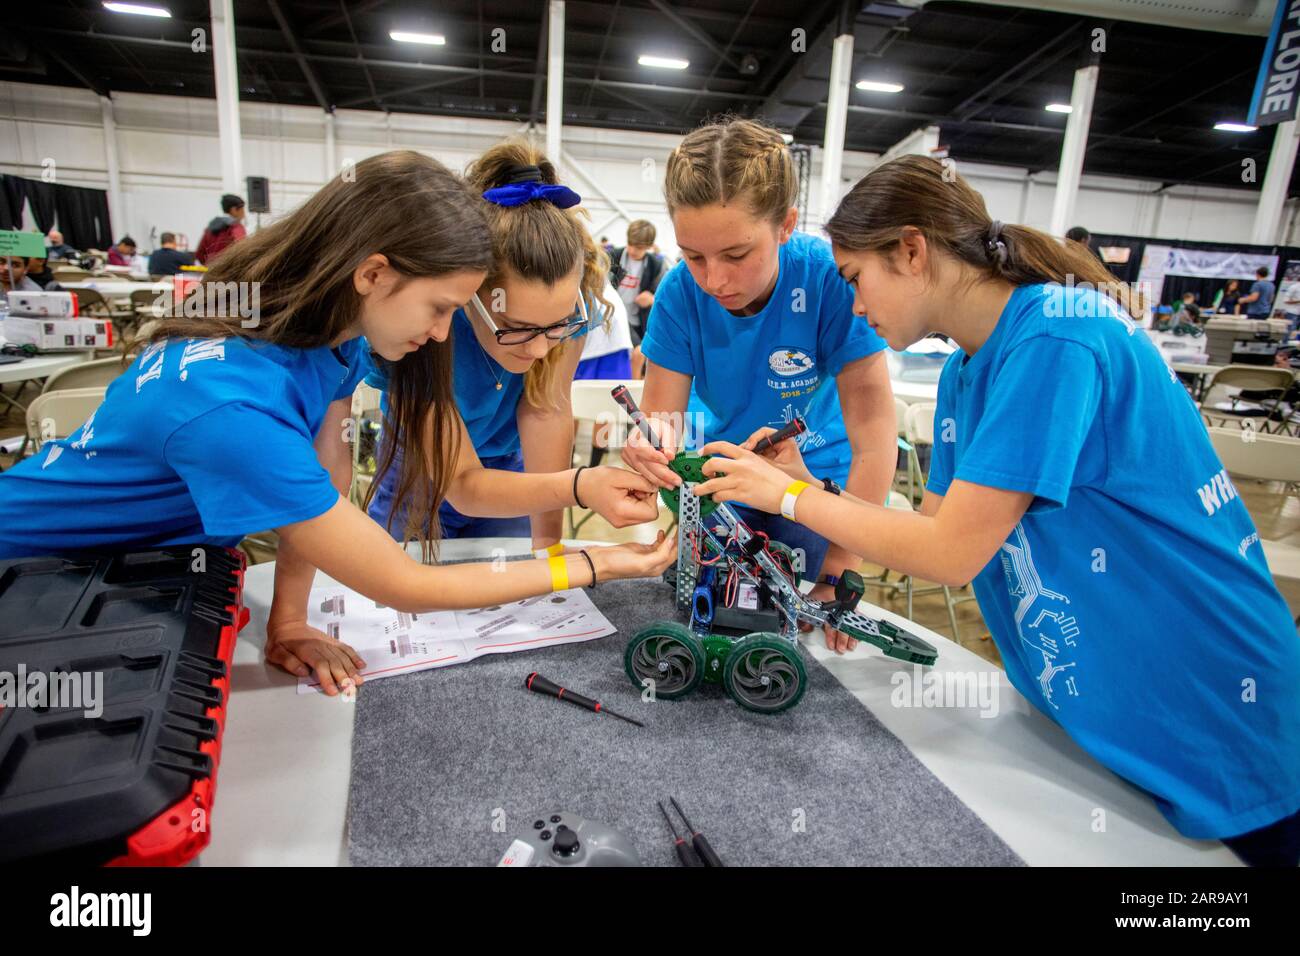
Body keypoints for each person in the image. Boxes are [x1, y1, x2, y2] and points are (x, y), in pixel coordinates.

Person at [695, 154, 1300, 866]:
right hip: (1109, 721)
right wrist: (810, 486)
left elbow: (953, 558)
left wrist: (786, 497)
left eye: (856, 279)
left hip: (1211, 709)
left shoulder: (1057, 337)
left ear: (912, 251)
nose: (854, 306)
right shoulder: (966, 368)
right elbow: (929, 533)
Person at [0, 151, 674, 697]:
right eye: (440, 308)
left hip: (132, 574)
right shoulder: (232, 408)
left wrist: (290, 620)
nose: (445, 334)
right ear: (374, 274)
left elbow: (323, 492)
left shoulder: (335, 343)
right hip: (36, 575)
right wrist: (597, 562)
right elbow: (407, 584)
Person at [620, 117, 898, 654]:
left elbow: (875, 439)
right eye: (693, 256)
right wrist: (651, 445)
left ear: (786, 224)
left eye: (736, 254)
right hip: (724, 479)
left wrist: (841, 570)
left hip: (818, 484)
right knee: (707, 611)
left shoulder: (829, 281)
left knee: (792, 625)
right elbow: (663, 420)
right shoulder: (679, 294)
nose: (714, 280)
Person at [365, 139, 647, 549]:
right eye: (517, 327)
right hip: (418, 472)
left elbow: (546, 411)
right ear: (471, 292)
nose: (539, 350)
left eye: (556, 326)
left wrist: (548, 549)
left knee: (517, 573)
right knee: (408, 578)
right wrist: (580, 486)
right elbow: (464, 484)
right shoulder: (426, 327)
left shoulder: (574, 310)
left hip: (509, 470)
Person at [608, 220, 666, 379]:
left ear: (650, 246)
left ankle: (635, 386)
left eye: (639, 248)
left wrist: (652, 298)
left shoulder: (656, 265)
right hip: (613, 317)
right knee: (632, 355)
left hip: (638, 319)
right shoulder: (612, 257)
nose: (633, 250)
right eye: (630, 244)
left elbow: (664, 296)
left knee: (640, 354)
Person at [195, 193, 248, 264]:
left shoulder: (210, 229)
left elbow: (199, 253)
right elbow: (241, 249)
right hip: (229, 268)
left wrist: (210, 265)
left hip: (212, 269)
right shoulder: (236, 227)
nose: (244, 214)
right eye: (242, 210)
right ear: (233, 210)